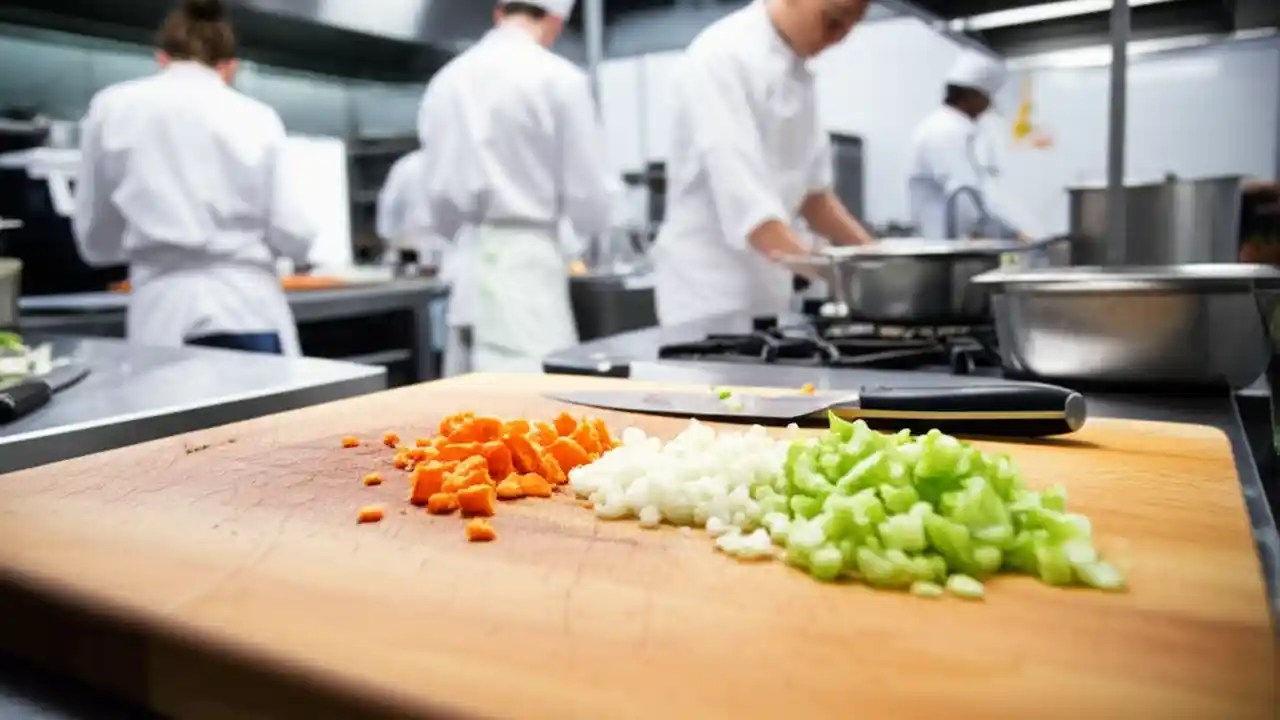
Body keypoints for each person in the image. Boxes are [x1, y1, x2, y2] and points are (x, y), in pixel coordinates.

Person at [74, 0, 314, 355]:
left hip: (161, 315)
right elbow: (294, 232)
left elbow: (96, 243)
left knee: (177, 409)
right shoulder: (255, 116)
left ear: (161, 58)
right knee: (264, 410)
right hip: (247, 309)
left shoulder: (112, 107)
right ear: (228, 68)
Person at [417, 0, 614, 374]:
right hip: (529, 274)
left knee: (465, 412)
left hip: (467, 273)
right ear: (555, 22)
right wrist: (583, 242)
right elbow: (589, 196)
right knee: (532, 408)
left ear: (499, 12)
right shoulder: (558, 79)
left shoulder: (447, 81)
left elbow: (437, 200)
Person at [652, 0, 875, 328]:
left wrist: (878, 256)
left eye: (848, 28)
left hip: (768, 290)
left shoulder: (797, 72)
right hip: (708, 295)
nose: (838, 38)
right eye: (832, 21)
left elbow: (814, 198)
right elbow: (750, 211)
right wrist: (850, 279)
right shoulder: (722, 56)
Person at [907, 50, 1024, 241]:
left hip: (956, 242)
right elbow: (966, 197)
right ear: (971, 95)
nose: (988, 107)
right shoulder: (944, 131)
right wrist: (1011, 234)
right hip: (944, 246)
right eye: (987, 99)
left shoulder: (957, 128)